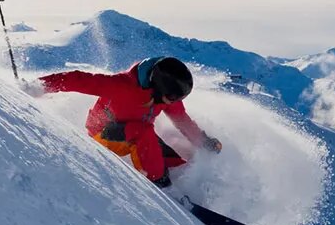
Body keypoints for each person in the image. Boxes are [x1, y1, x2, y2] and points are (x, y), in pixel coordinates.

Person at [24, 56, 222, 188]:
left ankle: (175, 183)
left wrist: (203, 141)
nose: (174, 102)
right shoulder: (121, 86)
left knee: (174, 161)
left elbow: (182, 121)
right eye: (172, 97)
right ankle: (159, 185)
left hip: (135, 133)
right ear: (158, 87)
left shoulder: (165, 98)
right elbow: (78, 79)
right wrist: (38, 87)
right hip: (103, 134)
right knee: (144, 134)